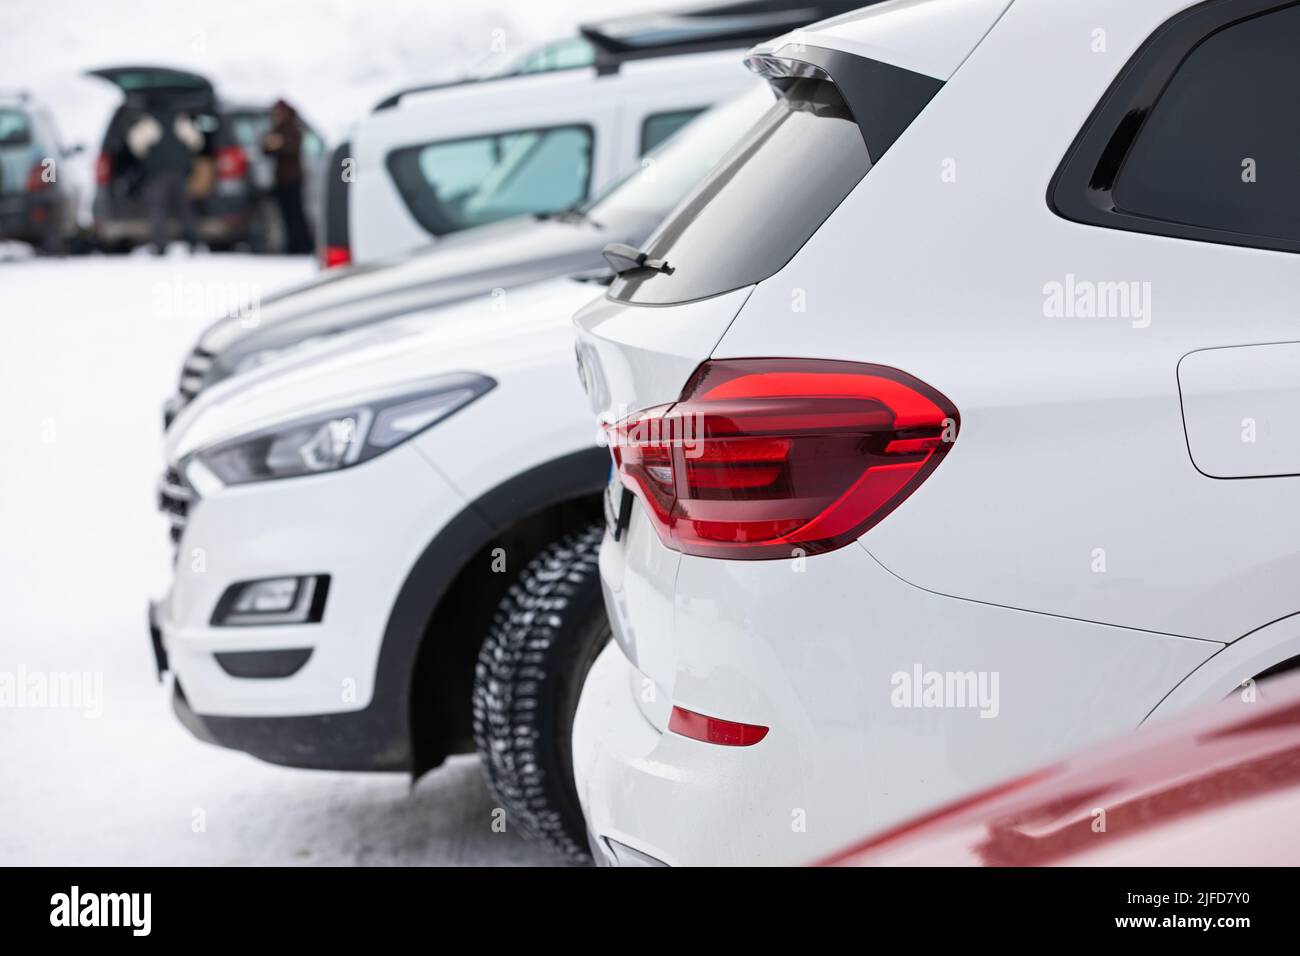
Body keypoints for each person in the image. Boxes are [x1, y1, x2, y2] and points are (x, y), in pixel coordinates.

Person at [127, 100, 203, 254]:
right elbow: (196, 141)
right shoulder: (180, 120)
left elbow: (135, 143)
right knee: (185, 207)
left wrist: (148, 157)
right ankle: (193, 241)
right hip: (180, 172)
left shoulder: (148, 122)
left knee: (157, 208)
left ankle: (160, 245)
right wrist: (184, 154)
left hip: (157, 173)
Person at [262, 99, 312, 254]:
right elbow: (266, 150)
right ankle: (293, 245)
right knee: (286, 216)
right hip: (281, 180)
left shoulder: (293, 128)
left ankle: (302, 246)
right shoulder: (276, 129)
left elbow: (291, 149)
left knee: (297, 215)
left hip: (293, 179)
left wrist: (281, 144)